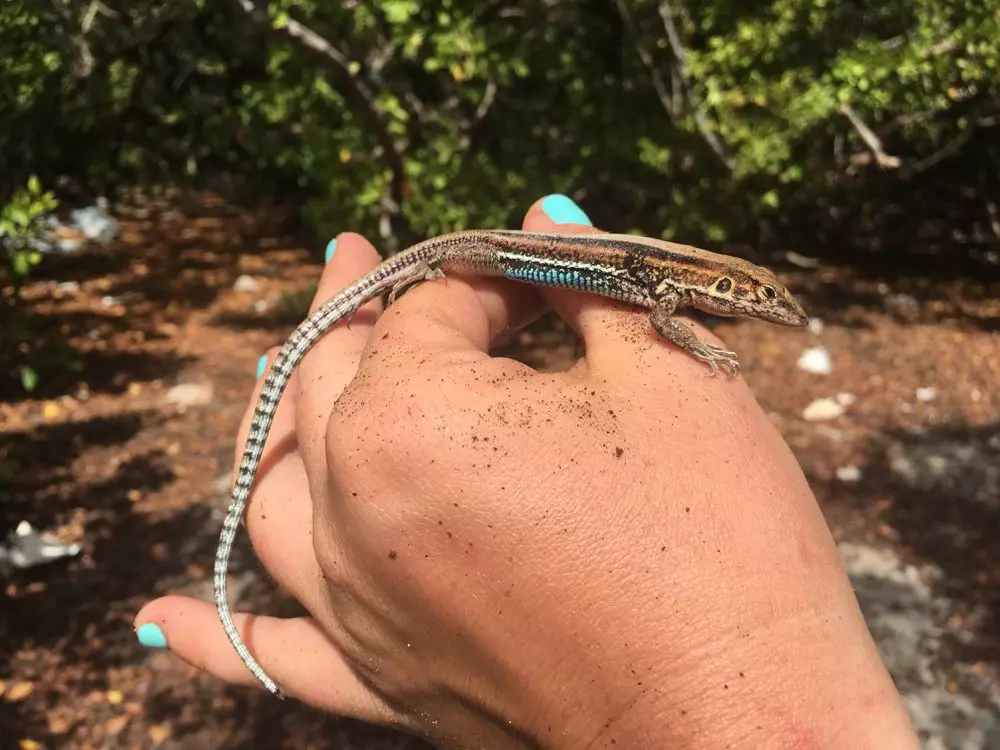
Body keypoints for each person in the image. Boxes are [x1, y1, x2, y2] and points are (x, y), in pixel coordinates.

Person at [135, 195, 919, 748]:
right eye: (763, 300)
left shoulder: (677, 275)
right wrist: (704, 348)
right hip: (485, 252)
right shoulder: (674, 288)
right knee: (435, 274)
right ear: (731, 288)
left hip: (510, 255)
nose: (772, 310)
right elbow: (657, 317)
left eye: (770, 301)